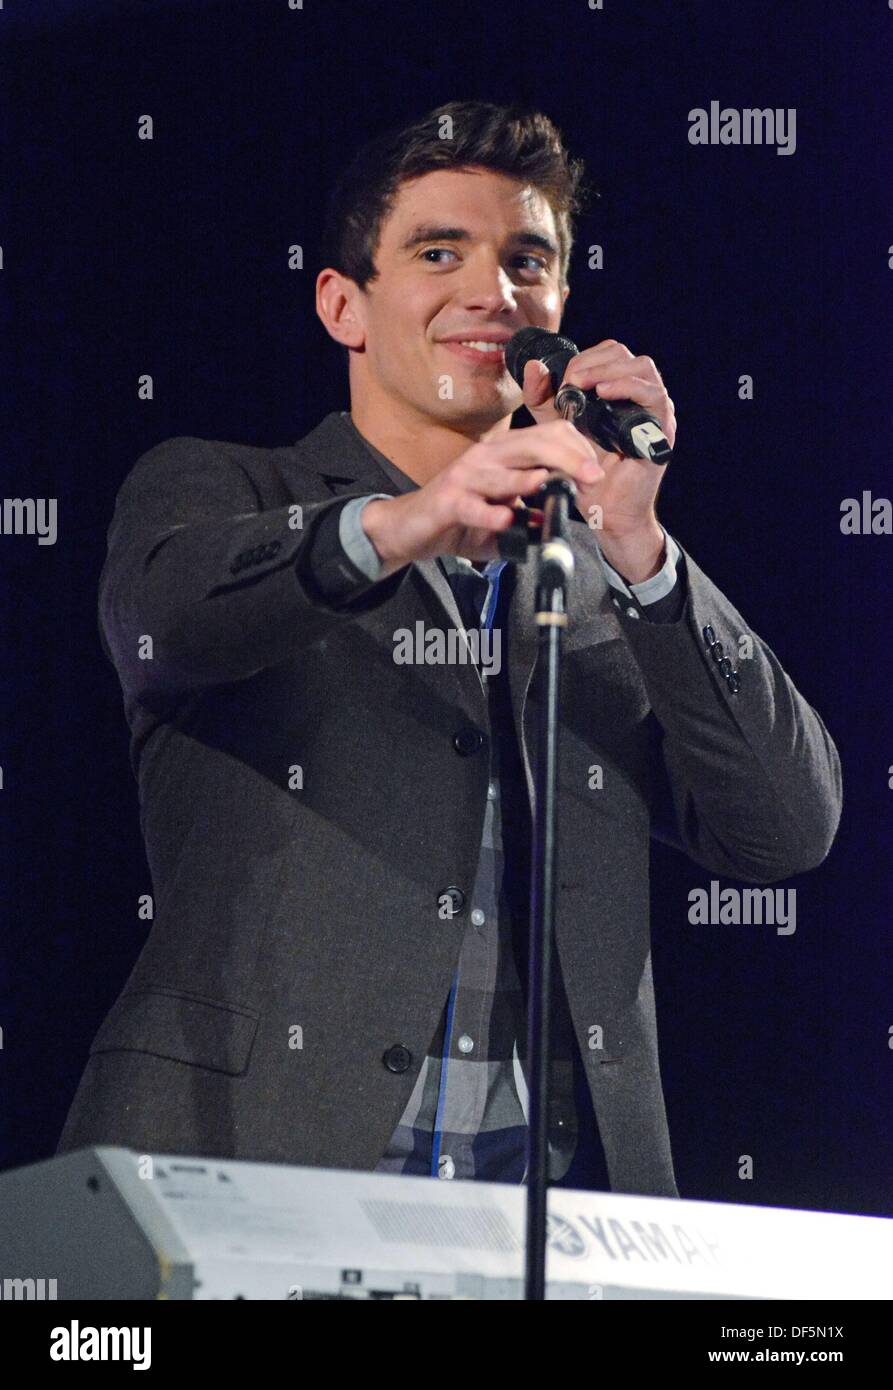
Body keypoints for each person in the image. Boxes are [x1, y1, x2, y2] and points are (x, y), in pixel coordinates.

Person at [57, 100, 842, 1198]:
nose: (493, 291)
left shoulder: (600, 570)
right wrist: (408, 520)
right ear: (343, 304)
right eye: (439, 252)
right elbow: (167, 622)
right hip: (243, 1167)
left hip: (544, 1213)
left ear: (559, 308)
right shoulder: (226, 487)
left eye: (528, 260)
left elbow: (783, 826)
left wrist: (639, 542)